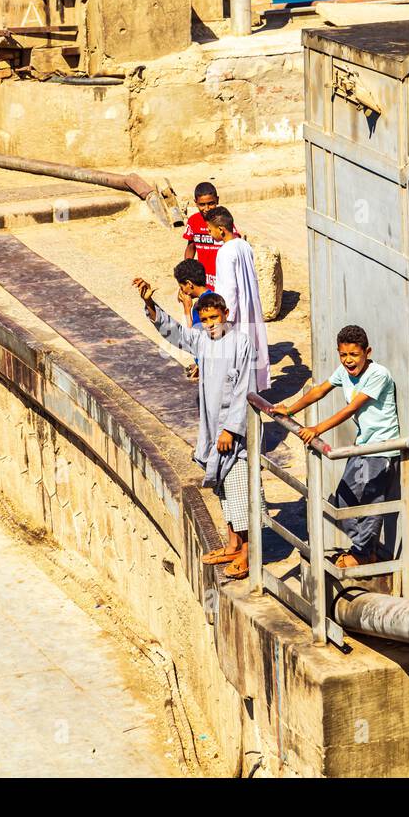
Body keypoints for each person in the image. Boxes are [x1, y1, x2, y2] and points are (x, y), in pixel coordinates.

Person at [134, 277, 258, 579]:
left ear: (225, 314)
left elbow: (245, 388)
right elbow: (176, 334)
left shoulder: (240, 341)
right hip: (212, 429)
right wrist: (150, 305)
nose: (210, 323)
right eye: (205, 320)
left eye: (214, 317)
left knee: (241, 491)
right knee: (223, 489)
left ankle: (248, 554)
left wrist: (231, 429)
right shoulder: (202, 340)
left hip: (235, 432)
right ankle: (232, 545)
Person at [270, 325, 400, 568]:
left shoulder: (378, 375)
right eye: (343, 355)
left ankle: (362, 554)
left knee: (372, 502)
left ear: (367, 352)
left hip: (381, 448)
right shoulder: (344, 371)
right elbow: (319, 390)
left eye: (354, 355)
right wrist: (288, 409)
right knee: (343, 498)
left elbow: (352, 408)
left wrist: (317, 429)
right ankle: (365, 549)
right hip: (362, 445)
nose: (348, 361)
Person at [208, 206, 270, 392]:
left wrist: (225, 320)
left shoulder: (225, 252)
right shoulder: (243, 245)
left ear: (221, 229)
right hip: (250, 306)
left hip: (235, 314)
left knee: (235, 358)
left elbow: (229, 290)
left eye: (210, 229)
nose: (210, 234)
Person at [182, 182, 227, 289]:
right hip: (203, 279)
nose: (207, 208)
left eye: (211, 203)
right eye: (202, 204)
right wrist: (186, 272)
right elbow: (191, 246)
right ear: (196, 203)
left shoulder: (224, 220)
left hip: (222, 278)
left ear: (217, 200)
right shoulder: (193, 221)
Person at [173, 259, 210, 382]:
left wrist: (186, 309)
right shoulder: (211, 296)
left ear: (189, 284)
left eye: (181, 286)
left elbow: (190, 337)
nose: (182, 291)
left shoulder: (200, 306)